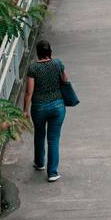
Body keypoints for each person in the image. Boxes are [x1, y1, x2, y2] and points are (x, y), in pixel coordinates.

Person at [24, 38, 70, 182]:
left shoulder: (33, 68)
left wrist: (25, 110)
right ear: (49, 51)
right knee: (53, 139)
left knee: (39, 134)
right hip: (57, 106)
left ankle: (39, 163)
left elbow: (29, 92)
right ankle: (52, 173)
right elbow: (66, 80)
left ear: (38, 53)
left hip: (39, 107)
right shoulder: (57, 63)